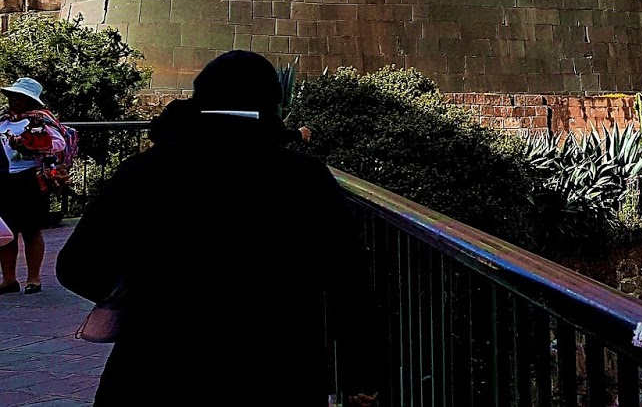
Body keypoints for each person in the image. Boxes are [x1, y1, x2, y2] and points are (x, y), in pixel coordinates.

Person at [57, 51, 378, 407]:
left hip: (157, 371)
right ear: (272, 102)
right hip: (277, 373)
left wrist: (141, 292)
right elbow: (348, 281)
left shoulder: (145, 171)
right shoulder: (304, 178)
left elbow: (76, 267)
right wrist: (360, 374)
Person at [1, 78, 64, 295]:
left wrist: (32, 143)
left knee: (31, 229)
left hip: (30, 179)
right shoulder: (3, 120)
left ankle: (33, 278)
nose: (13, 100)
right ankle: (9, 278)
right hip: (4, 179)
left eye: (18, 97)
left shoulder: (41, 121)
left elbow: (58, 144)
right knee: (6, 232)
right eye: (11, 96)